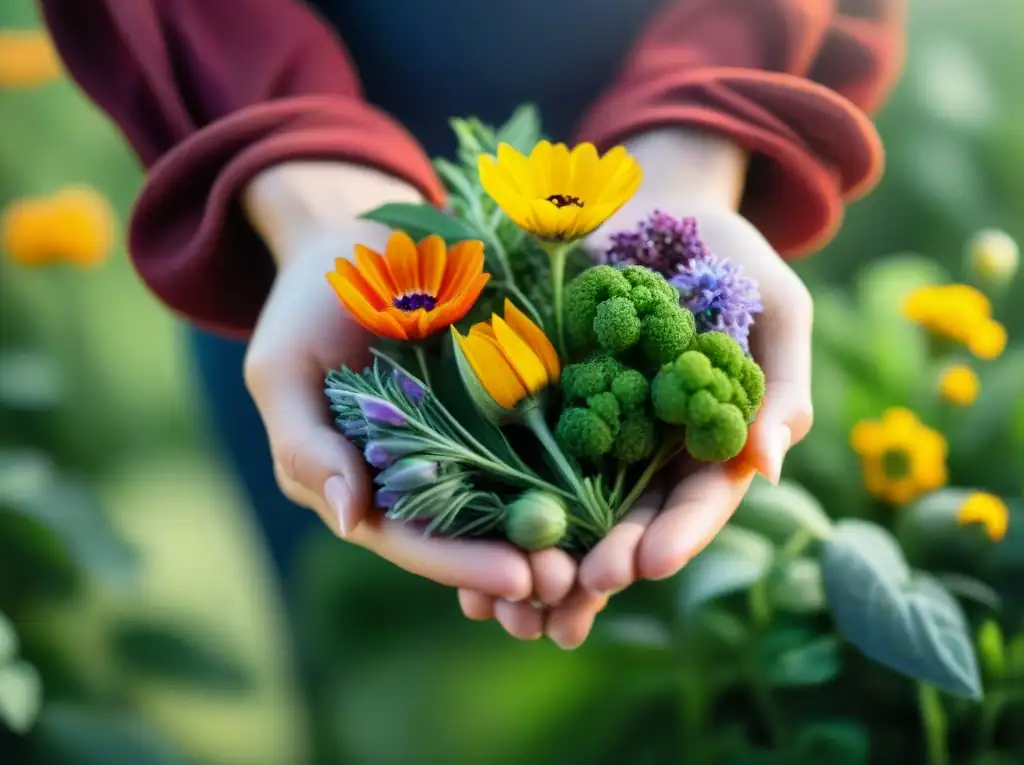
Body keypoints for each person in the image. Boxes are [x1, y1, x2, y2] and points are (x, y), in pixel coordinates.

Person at [39, 0, 904, 649]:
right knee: (357, 659)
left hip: (677, 145)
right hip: (315, 242)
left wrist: (696, 139)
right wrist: (300, 183)